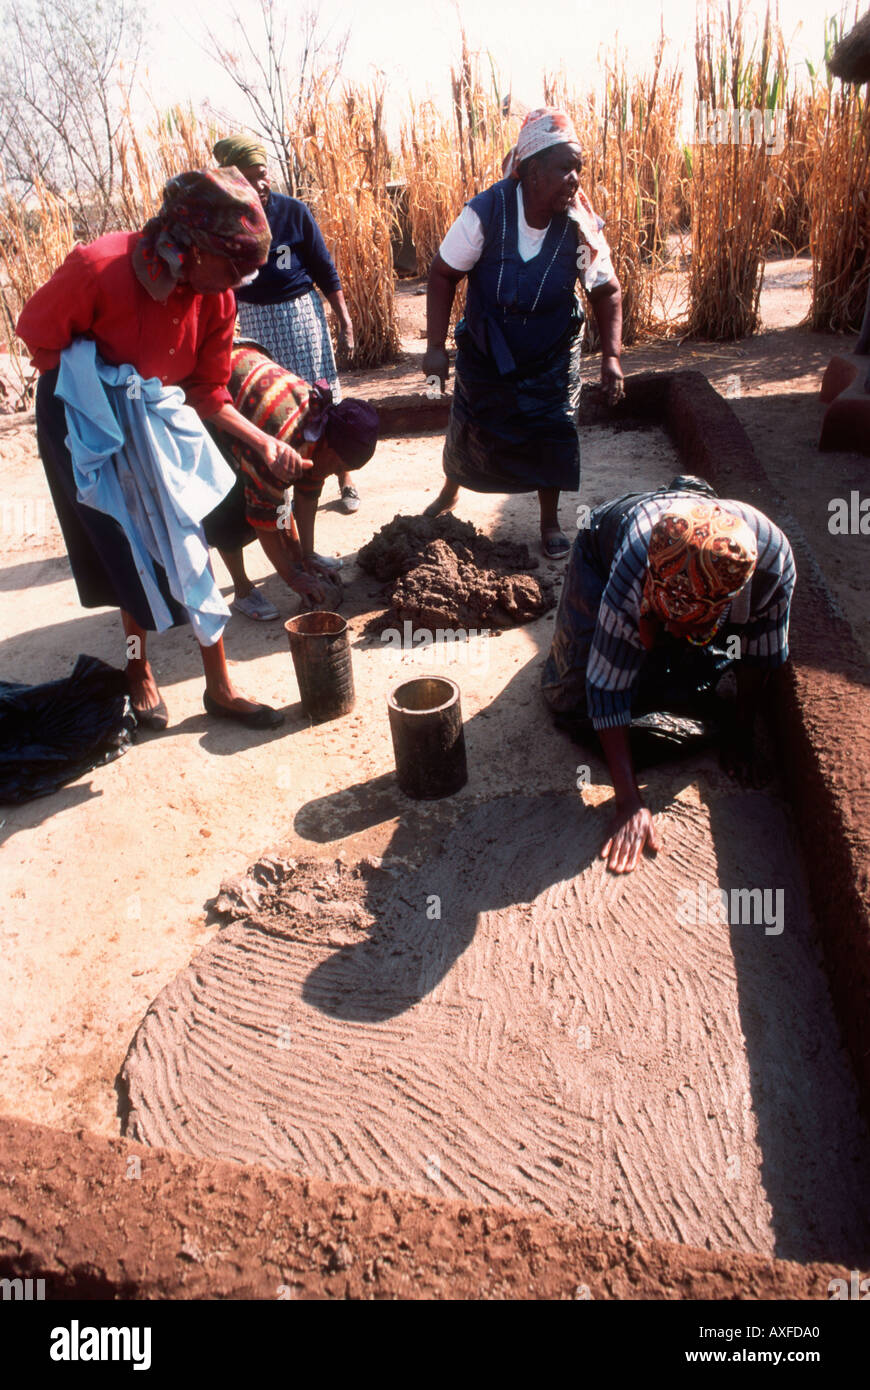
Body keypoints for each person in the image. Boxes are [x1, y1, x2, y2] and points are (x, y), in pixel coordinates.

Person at [16, 167, 319, 733]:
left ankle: (220, 687)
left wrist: (264, 442)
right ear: (188, 244)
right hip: (87, 420)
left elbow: (207, 390)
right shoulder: (99, 268)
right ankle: (138, 669)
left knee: (189, 537)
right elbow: (36, 335)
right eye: (233, 266)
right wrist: (105, 386)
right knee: (126, 544)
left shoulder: (218, 296)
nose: (240, 281)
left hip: (159, 419)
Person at [541, 482, 796, 874]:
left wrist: (741, 736)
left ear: (726, 605)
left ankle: (681, 632)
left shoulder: (771, 569)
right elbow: (605, 685)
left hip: (706, 540)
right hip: (607, 537)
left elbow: (761, 654)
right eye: (661, 616)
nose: (673, 630)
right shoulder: (632, 571)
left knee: (670, 668)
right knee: (570, 699)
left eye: (687, 623)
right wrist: (628, 801)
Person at [422, 107, 624, 560]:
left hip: (552, 347)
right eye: (564, 168)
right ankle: (451, 489)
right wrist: (435, 348)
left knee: (553, 426)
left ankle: (549, 521)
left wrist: (611, 356)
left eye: (579, 169)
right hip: (488, 340)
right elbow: (441, 274)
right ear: (531, 171)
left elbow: (607, 291)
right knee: (471, 418)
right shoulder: (486, 213)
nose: (574, 179)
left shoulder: (578, 227)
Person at [212, 135, 361, 524]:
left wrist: (343, 320)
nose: (258, 185)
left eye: (261, 175)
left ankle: (344, 477)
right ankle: (289, 486)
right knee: (276, 408)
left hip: (300, 317)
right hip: (257, 321)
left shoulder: (293, 213)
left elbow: (324, 267)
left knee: (322, 398)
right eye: (246, 178)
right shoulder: (228, 226)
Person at [206, 341, 378, 594]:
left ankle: (299, 557)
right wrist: (292, 578)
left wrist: (306, 556)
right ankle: (243, 588)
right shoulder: (282, 441)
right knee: (228, 503)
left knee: (281, 500)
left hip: (243, 371)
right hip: (209, 397)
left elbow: (308, 491)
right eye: (339, 466)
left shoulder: (320, 429)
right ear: (329, 447)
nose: (335, 473)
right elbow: (263, 517)